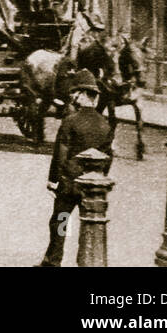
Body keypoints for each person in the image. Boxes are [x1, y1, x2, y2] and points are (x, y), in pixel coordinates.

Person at [39, 70, 114, 266]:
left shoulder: (70, 121)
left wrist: (53, 180)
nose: (72, 97)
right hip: (92, 185)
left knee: (60, 221)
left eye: (75, 93)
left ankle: (54, 260)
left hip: (69, 185)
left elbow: (60, 154)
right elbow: (108, 158)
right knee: (89, 223)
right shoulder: (105, 125)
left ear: (82, 94)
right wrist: (100, 180)